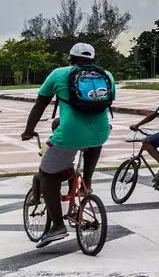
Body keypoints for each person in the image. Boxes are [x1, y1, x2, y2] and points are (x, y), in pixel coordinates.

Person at [21, 43, 115, 249]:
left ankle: (57, 226)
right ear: (93, 60)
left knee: (46, 174)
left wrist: (28, 131)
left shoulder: (59, 73)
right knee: (94, 140)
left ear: (70, 58)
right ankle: (86, 185)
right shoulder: (106, 74)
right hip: (101, 131)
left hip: (70, 134)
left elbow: (40, 105)